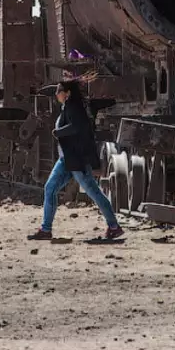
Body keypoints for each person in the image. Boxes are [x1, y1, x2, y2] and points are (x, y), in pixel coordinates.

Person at [28, 73, 123, 242]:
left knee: (93, 192)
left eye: (59, 91)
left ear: (68, 93)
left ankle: (114, 226)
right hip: (66, 159)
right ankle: (46, 229)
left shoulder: (74, 107)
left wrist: (58, 132)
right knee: (50, 189)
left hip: (77, 159)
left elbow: (79, 127)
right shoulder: (69, 106)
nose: (57, 95)